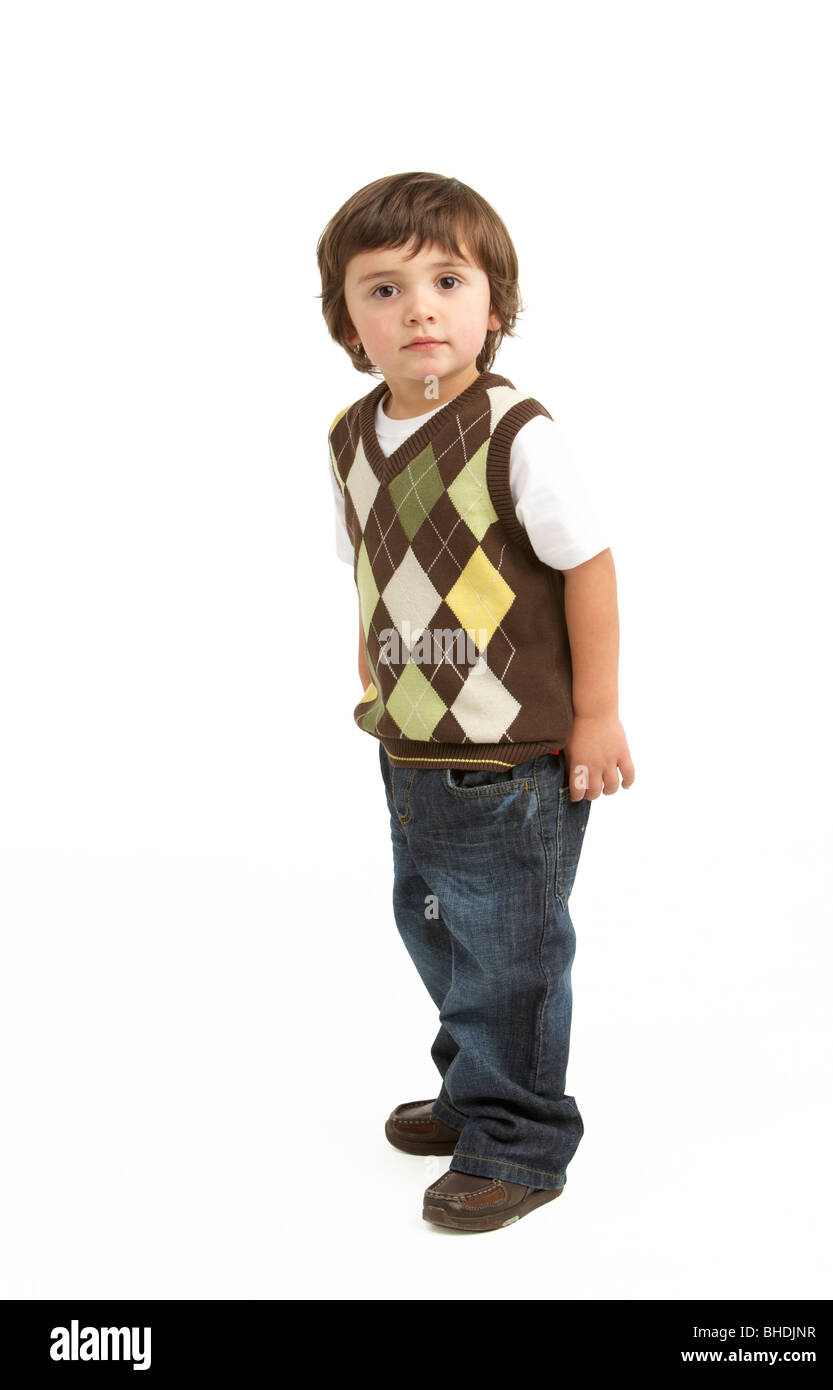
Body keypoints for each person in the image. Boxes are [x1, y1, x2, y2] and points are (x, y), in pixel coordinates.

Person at [317, 172, 635, 1233]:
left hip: (511, 758)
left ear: (491, 305)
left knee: (512, 947)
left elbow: (585, 564)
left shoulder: (513, 430)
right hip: (408, 746)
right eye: (382, 288)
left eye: (445, 280)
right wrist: (372, 664)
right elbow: (367, 562)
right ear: (344, 319)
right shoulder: (349, 438)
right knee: (437, 929)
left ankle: (520, 1135)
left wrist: (596, 714)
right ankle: (472, 1087)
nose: (417, 308)